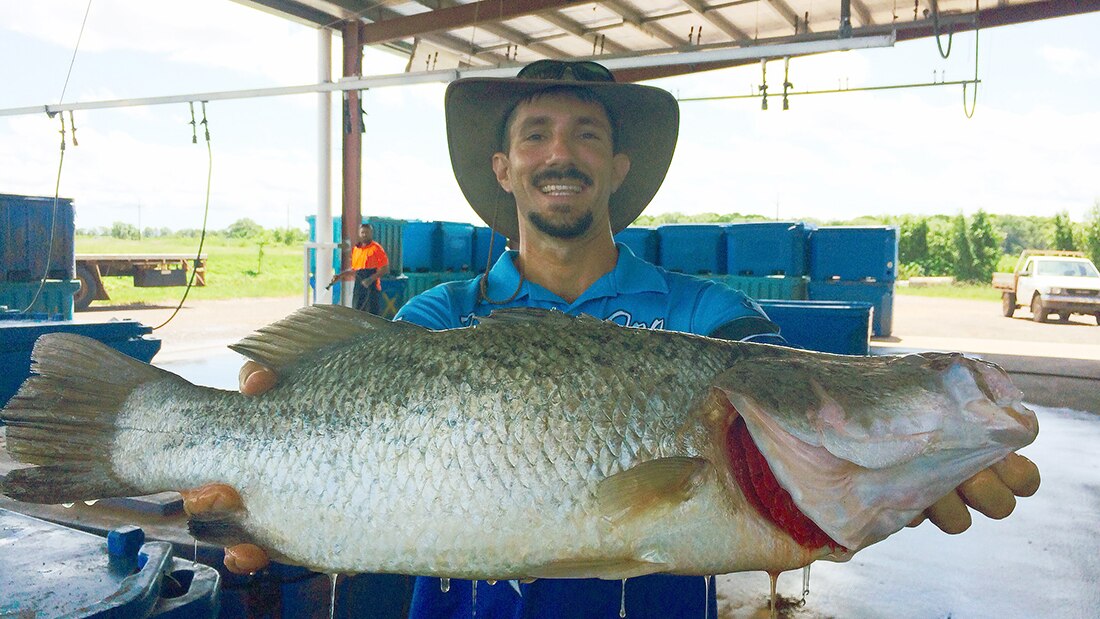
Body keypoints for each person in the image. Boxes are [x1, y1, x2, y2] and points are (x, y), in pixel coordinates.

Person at [190, 59, 1041, 617]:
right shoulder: (437, 319)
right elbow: (343, 407)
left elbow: (781, 390)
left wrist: (927, 453)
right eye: (536, 135)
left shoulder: (710, 320)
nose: (561, 153)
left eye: (587, 134)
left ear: (618, 165)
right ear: (503, 168)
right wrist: (262, 471)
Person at [329, 222, 389, 315]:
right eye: (362, 232)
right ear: (359, 234)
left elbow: (384, 269)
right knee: (357, 312)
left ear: (371, 233)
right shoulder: (356, 249)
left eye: (367, 233)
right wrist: (340, 276)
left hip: (372, 288)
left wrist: (370, 279)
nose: (364, 235)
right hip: (358, 286)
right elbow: (354, 270)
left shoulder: (376, 248)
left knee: (372, 315)